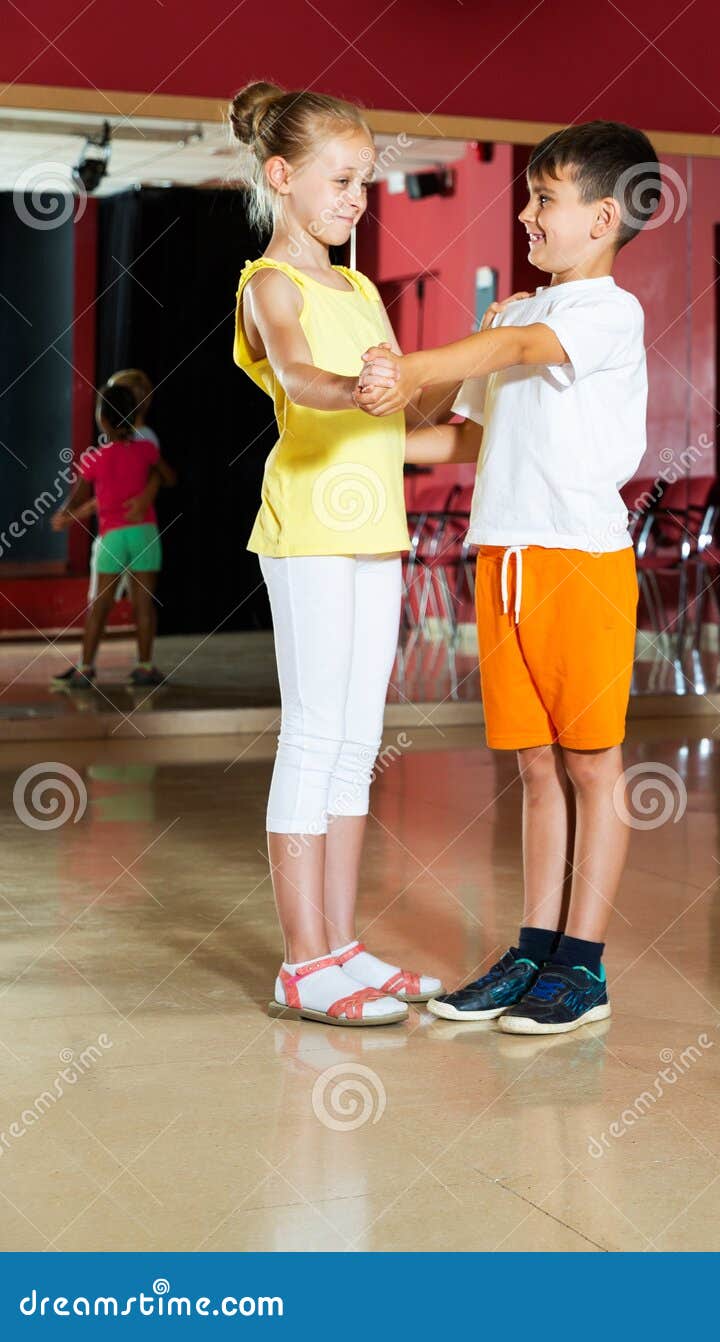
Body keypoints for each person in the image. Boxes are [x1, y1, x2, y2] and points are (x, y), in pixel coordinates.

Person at [356, 121, 659, 1036]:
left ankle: (586, 968)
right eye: (527, 195)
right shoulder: (515, 314)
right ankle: (533, 949)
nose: (525, 213)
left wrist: (414, 364)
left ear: (604, 217)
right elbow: (470, 436)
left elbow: (517, 359)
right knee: (533, 768)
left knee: (592, 769)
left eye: (545, 199)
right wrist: (359, 441)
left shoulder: (607, 311)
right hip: (507, 561)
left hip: (582, 564)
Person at [230, 79, 442, 1027]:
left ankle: (343, 947)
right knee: (313, 736)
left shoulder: (359, 287)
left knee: (358, 744)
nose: (357, 197)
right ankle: (300, 961)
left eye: (366, 181)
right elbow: (300, 375)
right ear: (282, 177)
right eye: (341, 178)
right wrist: (357, 386)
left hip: (375, 530)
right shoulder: (268, 284)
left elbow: (406, 413)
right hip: (310, 528)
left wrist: (466, 394)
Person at [50, 382, 175, 688]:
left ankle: (85, 669)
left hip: (113, 538)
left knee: (101, 606)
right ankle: (145, 668)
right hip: (144, 533)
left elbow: (77, 497)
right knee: (143, 605)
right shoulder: (147, 450)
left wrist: (63, 516)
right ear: (135, 418)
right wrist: (153, 476)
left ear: (102, 420)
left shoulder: (95, 458)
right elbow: (170, 477)